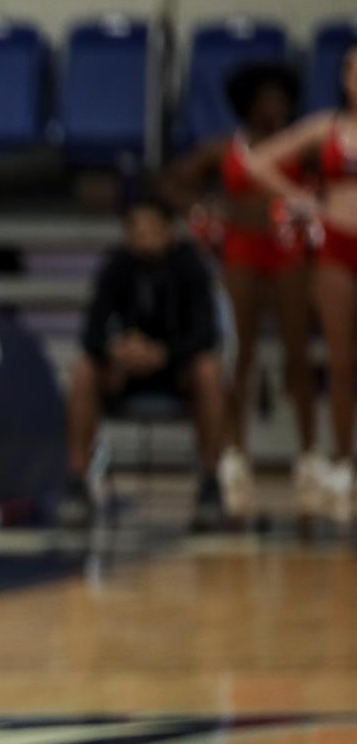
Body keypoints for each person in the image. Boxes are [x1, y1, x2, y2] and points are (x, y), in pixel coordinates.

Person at [166, 64, 317, 518]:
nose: (276, 106)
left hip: (287, 250)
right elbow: (171, 180)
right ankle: (235, 452)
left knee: (297, 353)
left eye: (282, 98)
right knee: (241, 354)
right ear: (248, 104)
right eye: (267, 98)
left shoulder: (300, 144)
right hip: (241, 251)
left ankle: (310, 454)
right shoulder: (223, 148)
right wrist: (201, 208)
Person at [60, 192, 227, 531]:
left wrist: (163, 354)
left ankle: (210, 482)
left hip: (175, 367)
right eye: (135, 228)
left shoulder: (190, 267)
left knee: (209, 371)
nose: (142, 235)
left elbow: (207, 335)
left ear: (169, 230)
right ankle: (77, 481)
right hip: (126, 372)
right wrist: (117, 351)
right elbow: (90, 333)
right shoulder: (116, 266)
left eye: (150, 227)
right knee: (83, 370)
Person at [244, 46, 357, 524]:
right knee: (340, 357)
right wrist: (302, 200)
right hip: (334, 244)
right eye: (353, 66)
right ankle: (340, 460)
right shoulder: (325, 127)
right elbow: (256, 162)